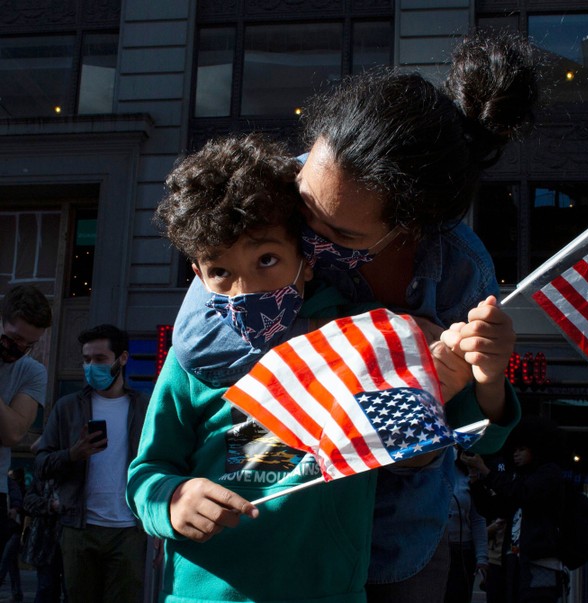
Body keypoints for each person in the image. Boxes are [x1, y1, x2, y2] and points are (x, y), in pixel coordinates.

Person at [168, 29, 539, 603]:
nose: (308, 236)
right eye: (305, 209)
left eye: (340, 233)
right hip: (287, 538)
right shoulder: (269, 197)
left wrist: (485, 381)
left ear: (410, 225)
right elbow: (202, 347)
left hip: (396, 541)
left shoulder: (461, 269)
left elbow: (480, 440)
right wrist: (392, 346)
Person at [127, 133, 508, 602]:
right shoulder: (191, 361)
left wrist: (458, 386)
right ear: (198, 276)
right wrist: (171, 500)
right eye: (220, 272)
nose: (246, 290)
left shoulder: (369, 340)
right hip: (201, 592)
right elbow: (148, 470)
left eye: (267, 259)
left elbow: (448, 442)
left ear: (307, 261)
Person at [34, 324, 149, 603]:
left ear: (121, 358)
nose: (91, 366)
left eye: (99, 359)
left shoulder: (144, 408)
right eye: (86, 360)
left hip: (129, 530)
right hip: (79, 527)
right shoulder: (68, 406)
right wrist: (72, 454)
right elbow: (40, 464)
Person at [464, 416, 570, 603]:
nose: (516, 454)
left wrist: (487, 472)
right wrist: (475, 481)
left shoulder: (548, 474)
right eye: (514, 449)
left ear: (536, 448)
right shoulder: (521, 478)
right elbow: (495, 507)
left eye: (522, 449)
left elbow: (522, 492)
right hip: (515, 561)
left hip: (540, 561)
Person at [0, 285, 52, 548]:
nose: (19, 348)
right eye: (14, 337)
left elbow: (13, 433)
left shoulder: (32, 372)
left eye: (29, 344)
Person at [22, 440, 66, 603]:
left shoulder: (77, 473)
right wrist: (50, 505)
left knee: (71, 589)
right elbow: (28, 501)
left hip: (70, 539)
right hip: (46, 541)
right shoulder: (44, 476)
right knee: (46, 588)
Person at [445, 449, 489, 603]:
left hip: (463, 552)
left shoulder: (467, 475)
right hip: (437, 551)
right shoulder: (432, 474)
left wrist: (482, 557)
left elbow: (478, 519)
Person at [0, 468, 25, 601]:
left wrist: (14, 509)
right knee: (11, 563)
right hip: (10, 528)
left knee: (5, 562)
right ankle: (17, 594)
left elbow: (17, 501)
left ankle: (17, 594)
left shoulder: (8, 483)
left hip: (11, 529)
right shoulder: (8, 483)